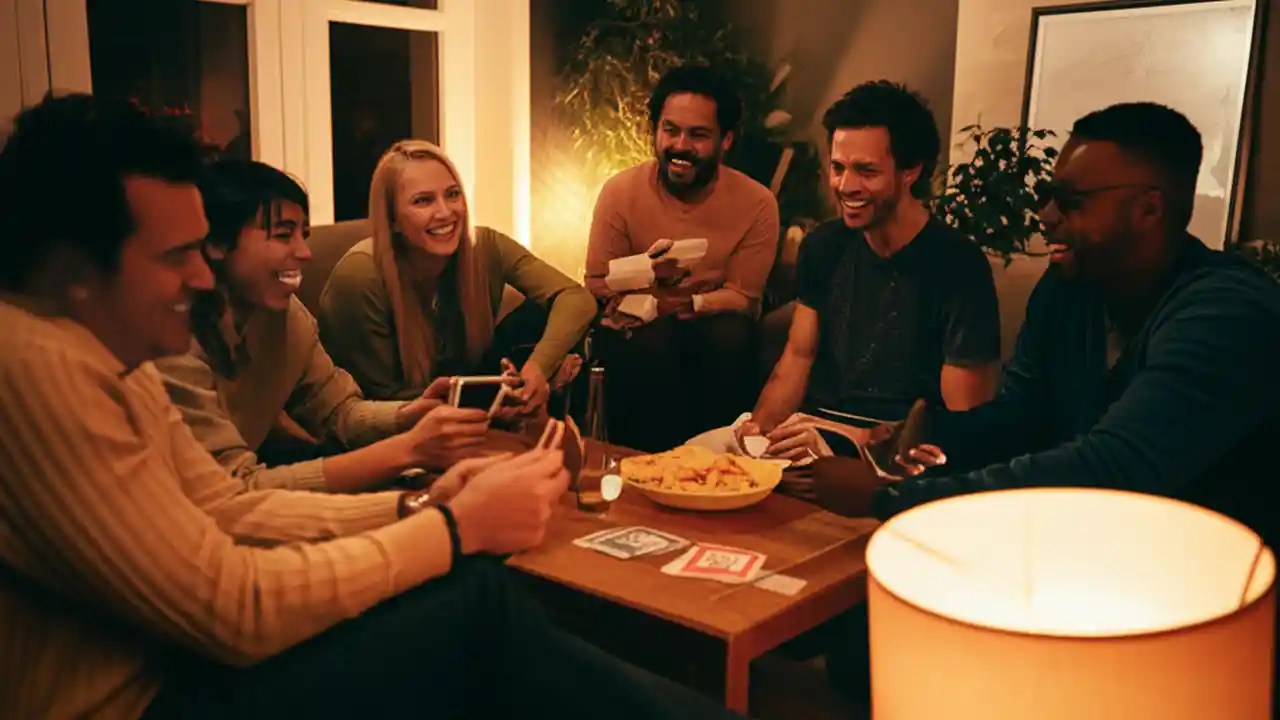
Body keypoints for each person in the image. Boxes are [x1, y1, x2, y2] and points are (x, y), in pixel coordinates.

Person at [0, 93, 743, 720]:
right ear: (72, 270)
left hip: (184, 661)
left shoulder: (116, 355)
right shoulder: (39, 369)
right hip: (154, 694)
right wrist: (449, 525)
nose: (199, 275)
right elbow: (235, 607)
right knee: (473, 597)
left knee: (473, 602)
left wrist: (421, 506)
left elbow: (226, 506)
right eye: (176, 256)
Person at [812, 102, 1280, 705]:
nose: (1047, 216)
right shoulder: (1069, 289)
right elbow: (1023, 416)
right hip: (1091, 545)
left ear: (1148, 209)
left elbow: (1116, 468)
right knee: (863, 626)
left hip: (1203, 594)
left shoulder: (1225, 313)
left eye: (1071, 201)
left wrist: (891, 499)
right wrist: (937, 434)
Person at [155, 160, 489, 493]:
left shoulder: (287, 316)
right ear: (217, 245)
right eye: (284, 235)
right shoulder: (171, 342)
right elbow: (235, 488)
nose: (304, 253)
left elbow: (338, 412)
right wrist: (407, 451)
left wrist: (408, 415)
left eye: (304, 235)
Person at [740, 81, 1000, 463]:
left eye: (866, 171)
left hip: (894, 456)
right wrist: (755, 434)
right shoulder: (824, 246)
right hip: (808, 435)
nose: (846, 186)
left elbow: (963, 422)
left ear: (911, 170)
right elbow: (798, 357)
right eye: (838, 168)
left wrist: (851, 439)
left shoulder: (957, 265)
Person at [318, 139, 596, 418]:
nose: (445, 212)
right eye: (423, 201)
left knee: (542, 318)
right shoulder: (360, 276)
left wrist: (536, 370)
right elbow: (376, 405)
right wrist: (488, 406)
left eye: (452, 194)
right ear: (392, 220)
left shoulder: (484, 245)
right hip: (393, 427)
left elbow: (576, 297)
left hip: (465, 401)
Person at [585, 65, 781, 452]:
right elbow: (596, 281)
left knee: (729, 335)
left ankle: (719, 469)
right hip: (639, 329)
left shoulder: (757, 203)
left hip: (713, 327)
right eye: (670, 130)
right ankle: (645, 470)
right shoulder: (620, 191)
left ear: (726, 140)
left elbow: (743, 296)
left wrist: (691, 302)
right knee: (650, 341)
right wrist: (648, 272)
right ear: (655, 131)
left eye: (698, 135)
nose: (680, 146)